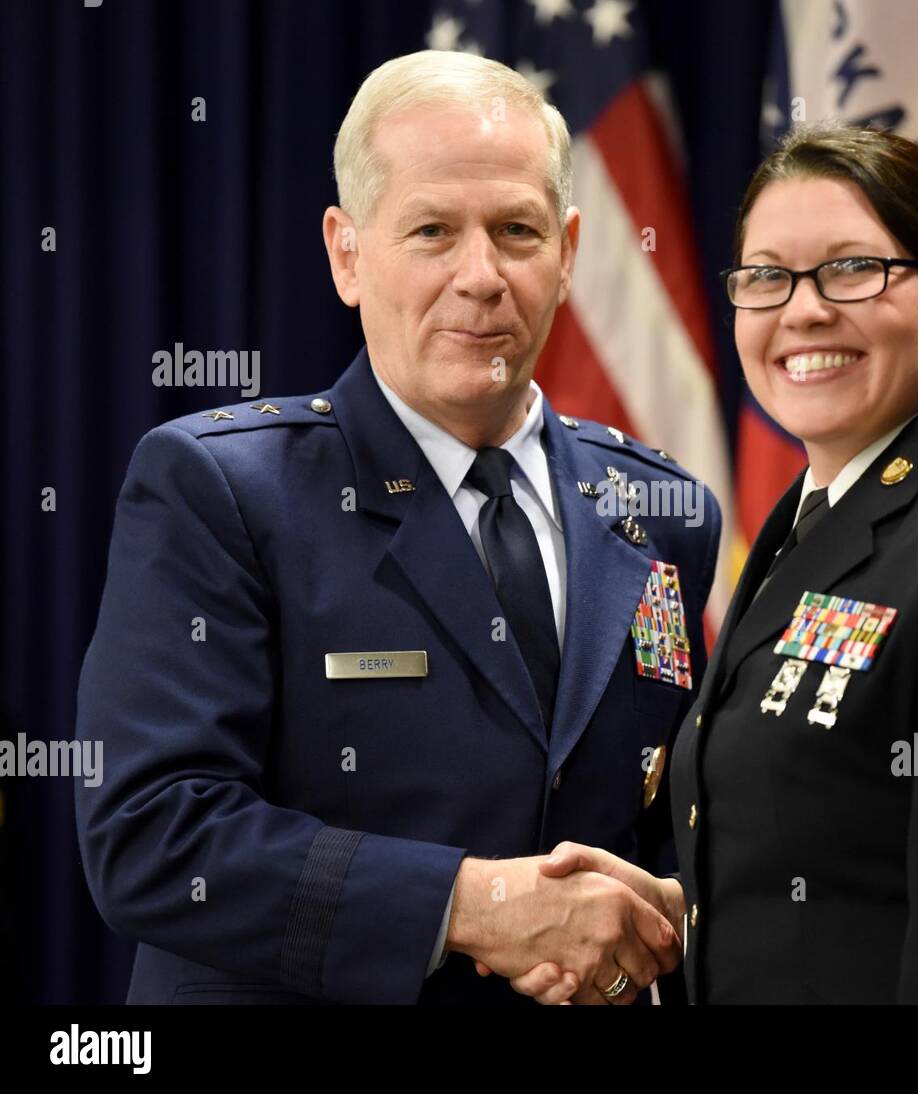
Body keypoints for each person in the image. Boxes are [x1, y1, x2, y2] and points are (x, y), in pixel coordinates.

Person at [73, 50, 721, 1005]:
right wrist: (470, 904)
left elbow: (674, 814)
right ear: (346, 253)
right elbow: (153, 837)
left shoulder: (662, 513)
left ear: (570, 250)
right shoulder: (222, 490)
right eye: (431, 231)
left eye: (516, 230)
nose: (482, 276)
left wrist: (660, 913)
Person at [501, 121, 918, 1004]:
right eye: (767, 276)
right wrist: (682, 914)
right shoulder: (810, 521)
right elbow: (841, 862)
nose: (802, 309)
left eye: (853, 268)